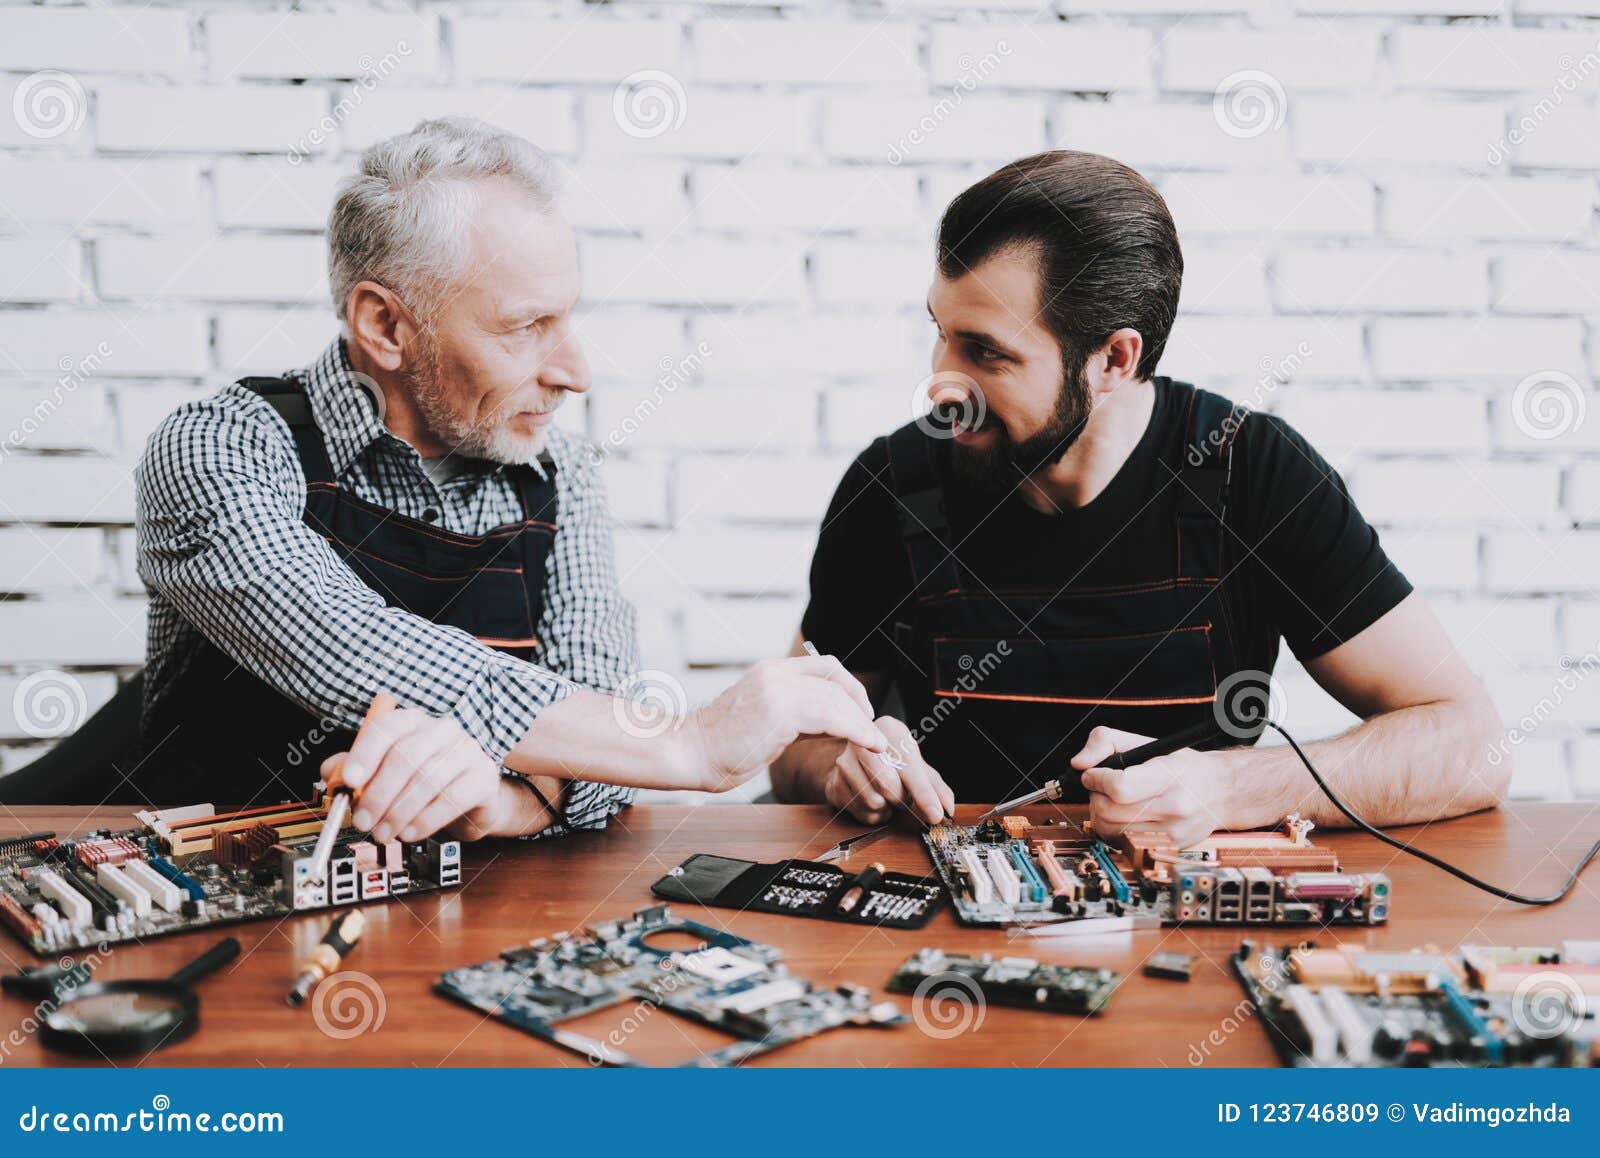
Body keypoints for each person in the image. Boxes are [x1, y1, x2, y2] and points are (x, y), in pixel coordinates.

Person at [117, 117, 887, 841]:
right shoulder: (215, 451)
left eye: (567, 319)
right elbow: (353, 645)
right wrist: (688, 746)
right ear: (385, 326)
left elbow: (606, 738)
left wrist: (500, 803)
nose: (576, 373)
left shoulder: (561, 471)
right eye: (526, 328)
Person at [771, 150, 1507, 848]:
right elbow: (792, 748)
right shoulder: (894, 484)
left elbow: (1474, 744)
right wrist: (841, 763)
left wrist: (1231, 786)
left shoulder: (1252, 475)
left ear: (1114, 359)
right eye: (941, 335)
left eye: (986, 351)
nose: (942, 382)